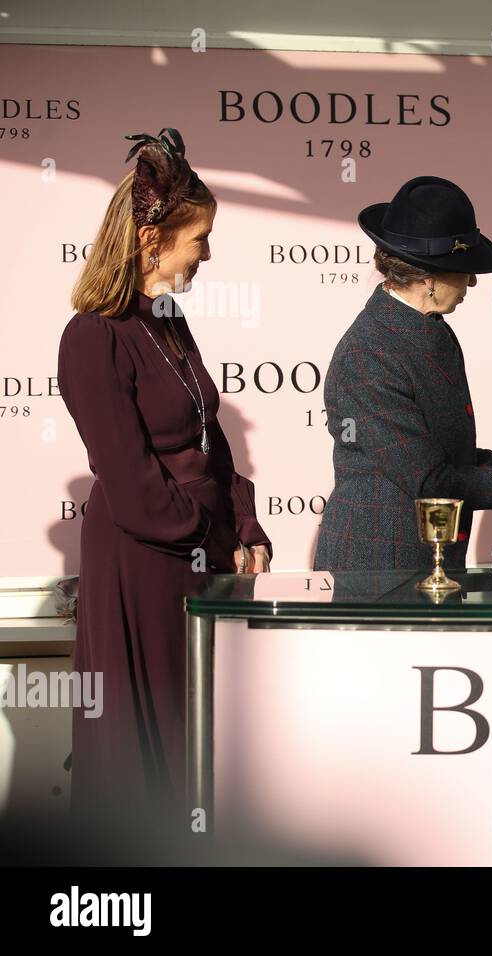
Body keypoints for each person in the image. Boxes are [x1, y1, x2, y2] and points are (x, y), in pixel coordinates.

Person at [57, 128, 272, 818]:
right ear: (154, 241)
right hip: (143, 561)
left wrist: (247, 525)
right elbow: (132, 481)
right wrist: (216, 538)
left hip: (197, 557)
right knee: (146, 749)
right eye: (199, 238)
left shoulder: (170, 321)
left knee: (199, 745)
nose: (207, 253)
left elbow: (212, 444)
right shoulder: (93, 336)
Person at [314, 176, 492, 573]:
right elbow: (432, 482)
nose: (472, 281)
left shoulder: (429, 328)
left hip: (428, 561)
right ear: (429, 276)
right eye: (463, 269)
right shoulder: (369, 353)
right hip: (380, 568)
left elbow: (458, 461)